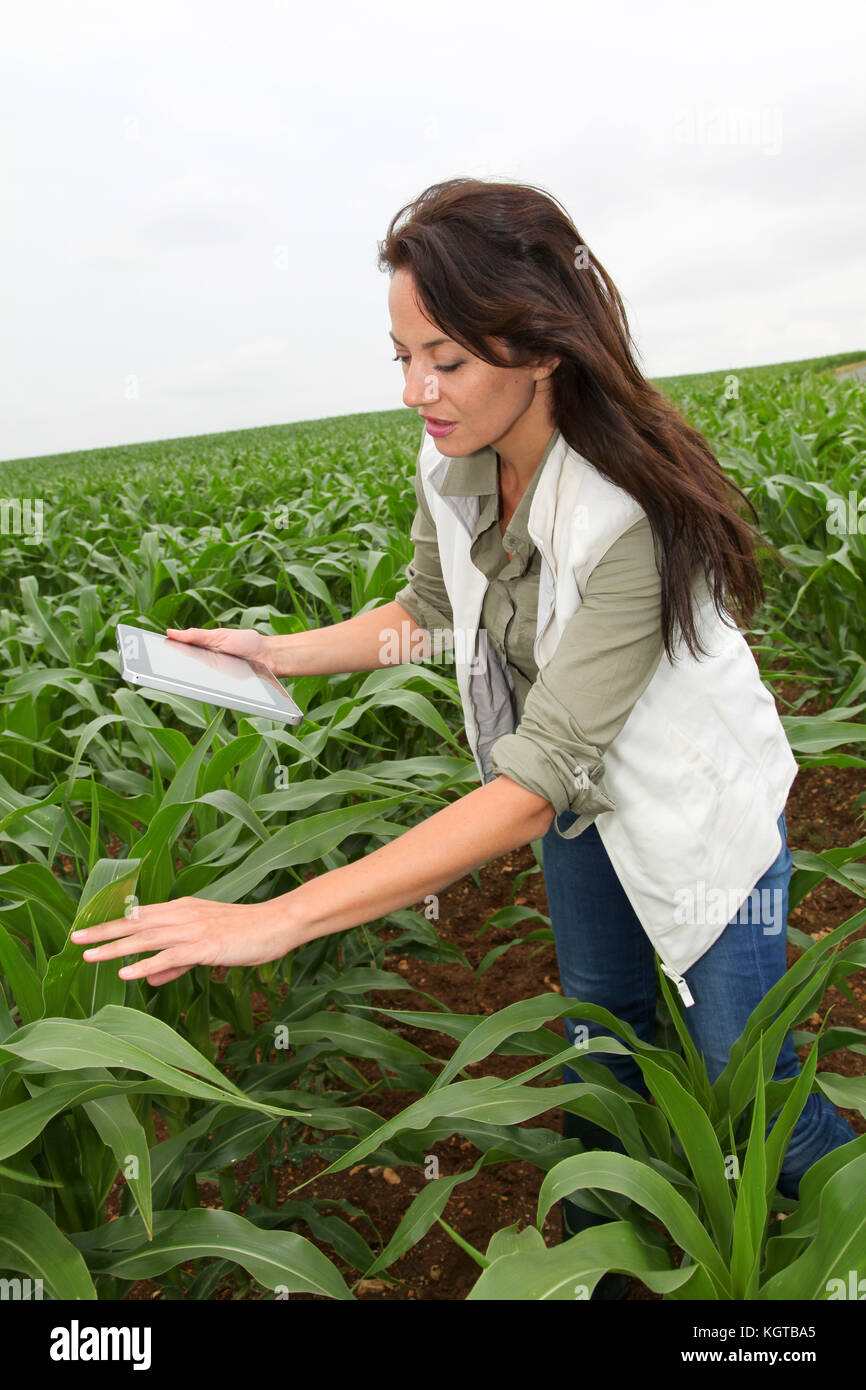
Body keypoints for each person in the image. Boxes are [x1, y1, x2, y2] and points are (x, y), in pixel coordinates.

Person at [73, 178, 858, 1296]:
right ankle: (607, 1236)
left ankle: (848, 1227)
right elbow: (427, 614)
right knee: (600, 1031)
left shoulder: (621, 516)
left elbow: (533, 781)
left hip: (692, 815)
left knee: (748, 1077)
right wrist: (276, 651)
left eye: (444, 360)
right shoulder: (453, 464)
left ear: (538, 346)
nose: (415, 392)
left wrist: (278, 917)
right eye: (400, 357)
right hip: (583, 808)